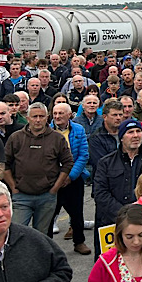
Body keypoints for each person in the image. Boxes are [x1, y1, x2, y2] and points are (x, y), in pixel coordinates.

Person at [3, 102, 73, 235]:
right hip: (21, 195)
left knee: (42, 236)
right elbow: (4, 163)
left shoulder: (57, 138)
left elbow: (68, 163)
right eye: (34, 116)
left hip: (47, 196)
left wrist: (54, 189)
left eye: (41, 116)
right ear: (28, 118)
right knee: (16, 233)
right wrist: (13, 187)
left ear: (47, 117)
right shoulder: (16, 138)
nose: (38, 120)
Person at [93, 118, 142, 235]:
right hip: (113, 221)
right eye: (130, 132)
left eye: (138, 131)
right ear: (121, 137)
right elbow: (100, 193)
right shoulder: (106, 162)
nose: (135, 135)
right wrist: (124, 215)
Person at [48, 101, 91, 255]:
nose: (57, 116)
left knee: (77, 213)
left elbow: (83, 155)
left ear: (69, 115)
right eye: (55, 113)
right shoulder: (47, 130)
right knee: (49, 215)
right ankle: (47, 248)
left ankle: (79, 242)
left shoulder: (78, 130)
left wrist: (70, 176)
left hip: (73, 178)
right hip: (52, 179)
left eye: (61, 113)